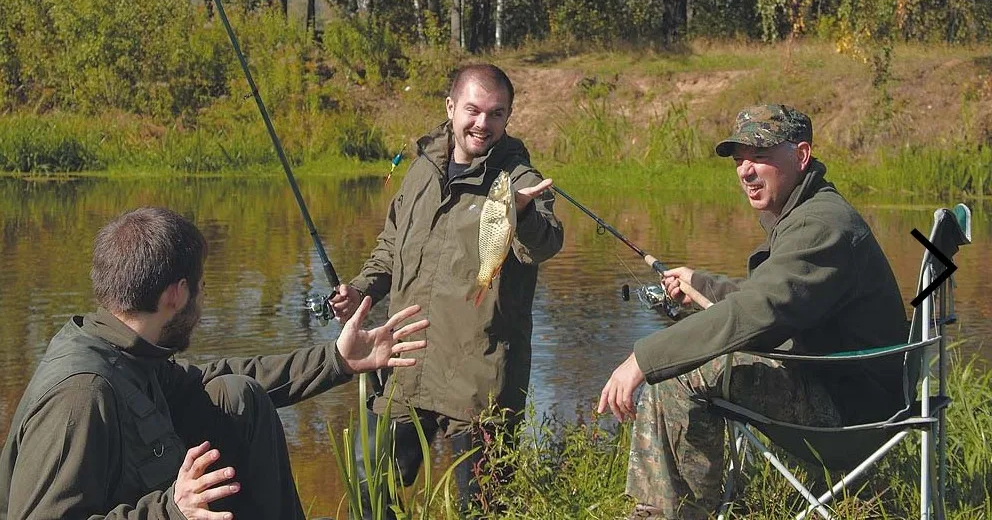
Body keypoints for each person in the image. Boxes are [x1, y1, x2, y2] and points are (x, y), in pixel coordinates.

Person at [0, 206, 430, 520]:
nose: (202, 301)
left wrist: (337, 359)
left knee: (236, 395)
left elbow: (222, 378)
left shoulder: (129, 353)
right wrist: (171, 510)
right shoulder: (81, 394)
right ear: (176, 295)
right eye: (201, 288)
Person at [598, 105, 908, 519]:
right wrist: (702, 286)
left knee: (678, 372)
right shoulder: (806, 212)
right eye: (739, 159)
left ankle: (673, 513)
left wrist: (644, 358)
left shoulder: (821, 226)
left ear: (801, 156)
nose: (746, 171)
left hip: (851, 414)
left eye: (760, 156)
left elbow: (759, 311)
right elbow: (772, 296)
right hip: (840, 384)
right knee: (686, 359)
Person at [329, 63, 564, 513]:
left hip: (479, 381)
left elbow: (546, 243)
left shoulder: (520, 180)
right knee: (368, 490)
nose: (483, 123)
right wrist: (360, 291)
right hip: (404, 365)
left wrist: (522, 215)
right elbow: (390, 247)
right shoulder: (421, 171)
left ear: (508, 117)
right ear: (451, 107)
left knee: (483, 508)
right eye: (473, 110)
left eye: (496, 113)